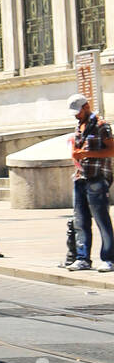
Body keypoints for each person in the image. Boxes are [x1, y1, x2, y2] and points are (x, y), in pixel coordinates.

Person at [67, 93, 114, 272]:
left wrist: (85, 154)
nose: (76, 115)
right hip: (80, 177)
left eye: (78, 112)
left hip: (97, 178)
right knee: (80, 220)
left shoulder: (102, 126)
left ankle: (109, 258)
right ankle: (82, 258)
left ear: (86, 107)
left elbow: (111, 150)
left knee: (102, 220)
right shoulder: (78, 126)